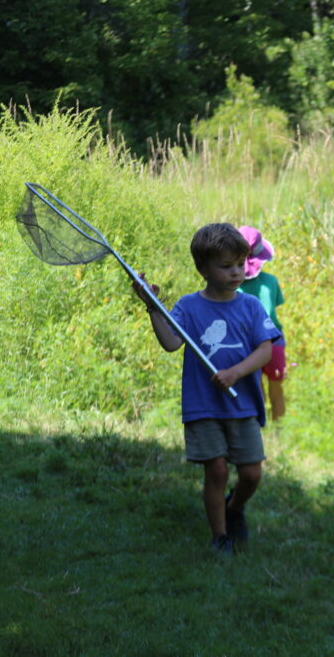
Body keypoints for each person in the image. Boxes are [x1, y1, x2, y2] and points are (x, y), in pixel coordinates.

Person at [132, 223, 281, 555]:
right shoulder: (188, 307)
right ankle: (220, 537)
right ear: (203, 269)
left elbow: (265, 350)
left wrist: (235, 372)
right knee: (215, 469)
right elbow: (171, 342)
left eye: (240, 264)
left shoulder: (251, 306)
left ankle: (235, 507)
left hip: (241, 404)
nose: (236, 273)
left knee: (251, 473)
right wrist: (153, 306)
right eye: (226, 266)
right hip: (204, 404)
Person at [237, 226, 287, 422]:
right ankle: (279, 423)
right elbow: (276, 304)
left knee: (254, 385)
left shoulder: (235, 287)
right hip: (274, 340)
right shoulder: (271, 281)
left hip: (247, 343)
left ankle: (259, 423)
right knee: (277, 385)